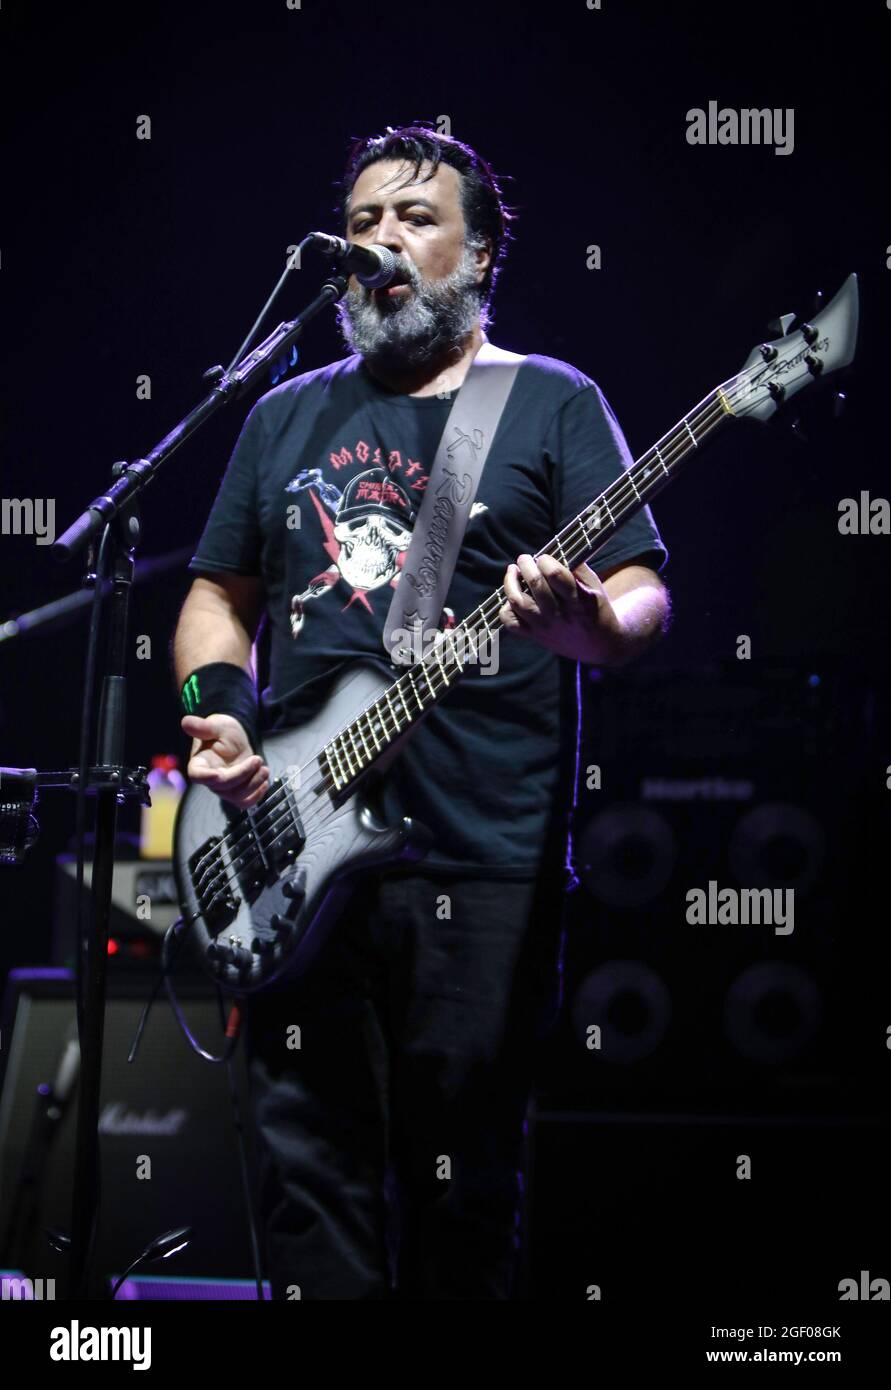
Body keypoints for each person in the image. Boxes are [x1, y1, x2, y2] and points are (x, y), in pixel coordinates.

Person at [172, 125, 670, 1299]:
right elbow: (215, 593)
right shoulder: (284, 412)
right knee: (306, 1189)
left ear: (481, 252)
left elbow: (648, 592)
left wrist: (586, 622)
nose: (382, 241)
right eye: (362, 225)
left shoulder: (549, 402)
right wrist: (222, 714)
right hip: (293, 852)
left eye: (414, 218)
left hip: (480, 854)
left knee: (461, 1195)